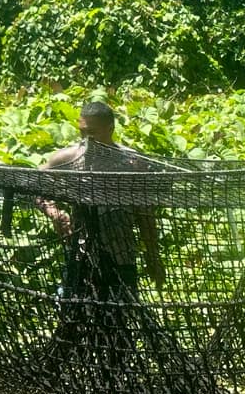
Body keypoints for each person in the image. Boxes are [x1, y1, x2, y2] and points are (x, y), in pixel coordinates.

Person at [41, 102, 165, 298]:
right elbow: (33, 184)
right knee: (76, 314)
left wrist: (153, 255)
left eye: (92, 133)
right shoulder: (69, 158)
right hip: (81, 253)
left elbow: (145, 214)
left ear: (110, 129)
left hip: (121, 255)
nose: (86, 139)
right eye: (82, 132)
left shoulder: (131, 163)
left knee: (123, 314)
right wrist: (53, 212)